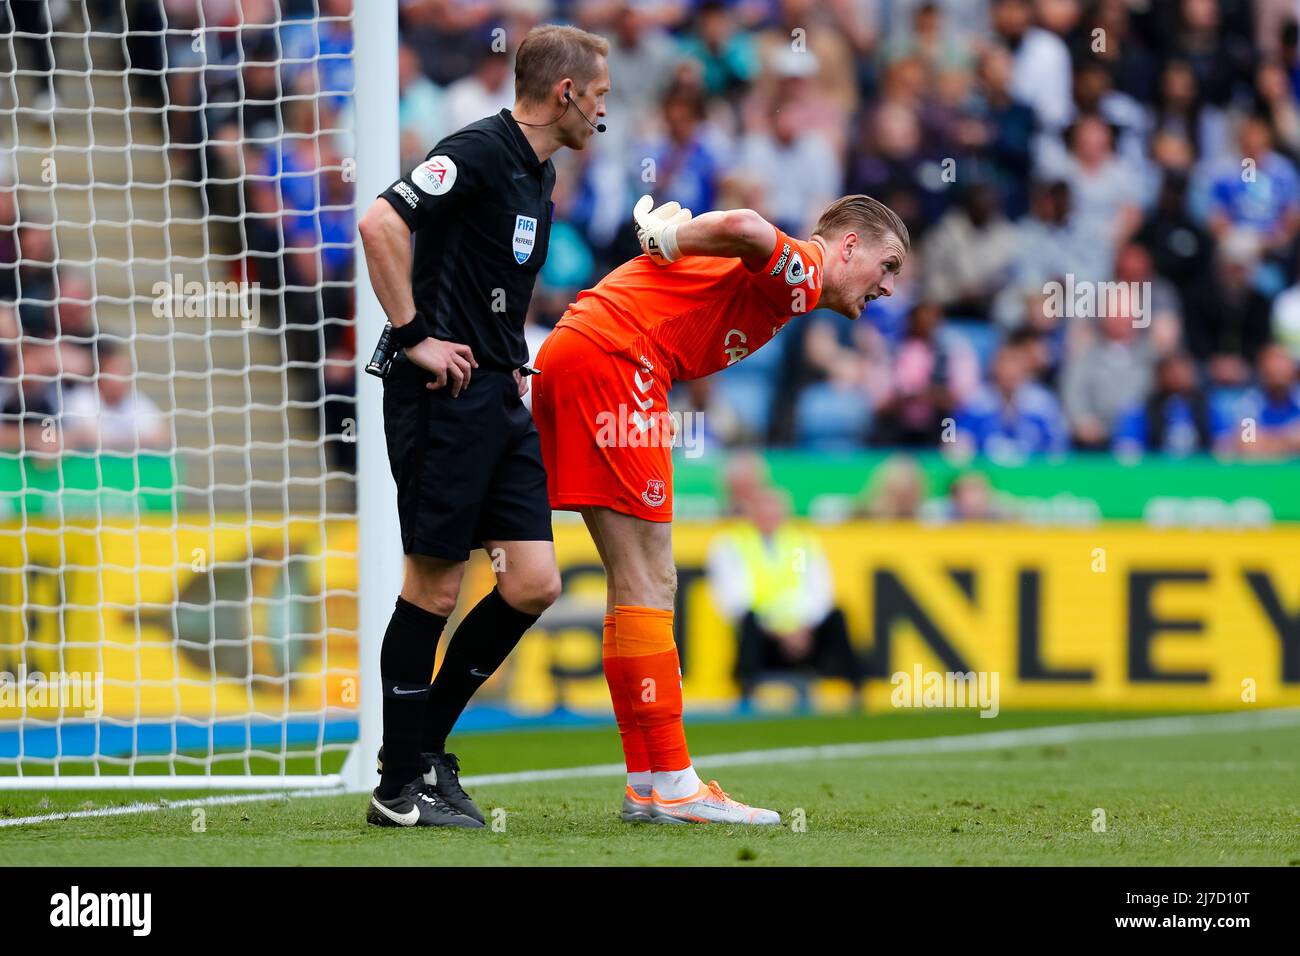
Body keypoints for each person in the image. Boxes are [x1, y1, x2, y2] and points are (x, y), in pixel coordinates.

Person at [532, 193, 908, 824]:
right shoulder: (805, 269)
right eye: (888, 266)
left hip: (577, 354)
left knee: (629, 585)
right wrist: (671, 240)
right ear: (848, 247)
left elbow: (723, 257)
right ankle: (677, 783)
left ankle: (647, 782)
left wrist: (677, 240)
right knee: (652, 580)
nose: (890, 288)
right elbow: (745, 225)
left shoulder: (790, 286)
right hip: (620, 362)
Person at [356, 24, 610, 829]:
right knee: (433, 583)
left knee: (533, 581)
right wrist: (412, 337)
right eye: (599, 97)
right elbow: (379, 223)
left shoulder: (539, 176)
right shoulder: (474, 151)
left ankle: (422, 750)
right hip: (444, 397)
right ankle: (398, 790)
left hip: (500, 395)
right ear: (565, 93)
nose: (603, 115)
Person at [708, 488, 861, 702]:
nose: (768, 517)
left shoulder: (801, 544)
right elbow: (733, 600)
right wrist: (779, 631)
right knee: (748, 622)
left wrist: (801, 628)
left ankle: (855, 693)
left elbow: (819, 591)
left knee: (837, 616)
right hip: (763, 637)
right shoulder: (731, 544)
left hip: (804, 634)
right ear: (751, 514)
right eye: (762, 511)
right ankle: (746, 695)